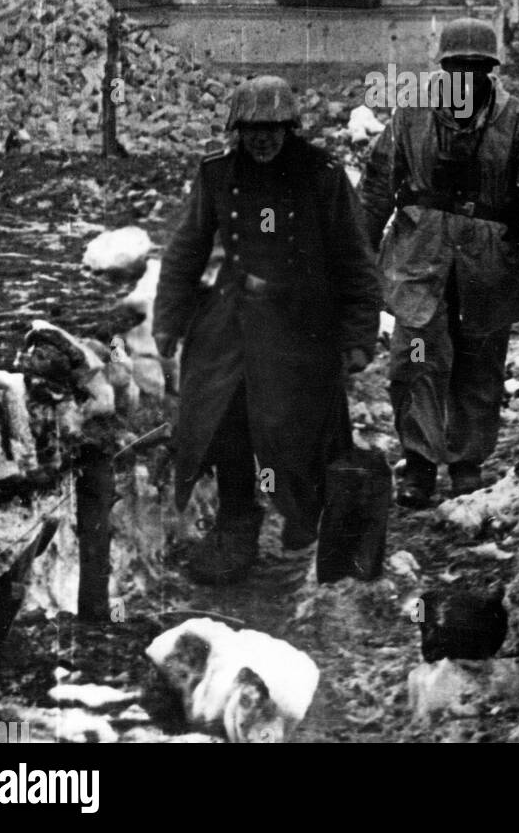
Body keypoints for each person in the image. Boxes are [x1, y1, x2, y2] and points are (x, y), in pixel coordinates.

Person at [153, 76, 381, 585]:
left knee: (301, 427)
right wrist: (168, 321)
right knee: (225, 419)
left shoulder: (322, 176)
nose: (262, 139)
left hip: (303, 325)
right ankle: (237, 524)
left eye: (272, 129)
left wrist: (358, 335)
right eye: (252, 130)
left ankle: (310, 519)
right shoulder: (216, 175)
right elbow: (187, 249)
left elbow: (354, 259)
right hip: (233, 322)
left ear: (289, 129)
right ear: (237, 131)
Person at [360, 18, 519, 508]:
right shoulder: (411, 114)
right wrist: (357, 250)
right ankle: (418, 462)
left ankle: (467, 461)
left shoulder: (515, 120)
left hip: (488, 261)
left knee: (480, 364)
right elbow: (376, 185)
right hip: (420, 256)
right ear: (443, 68)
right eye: (457, 67)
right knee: (415, 359)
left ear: (490, 72)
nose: (466, 78)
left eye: (477, 69)